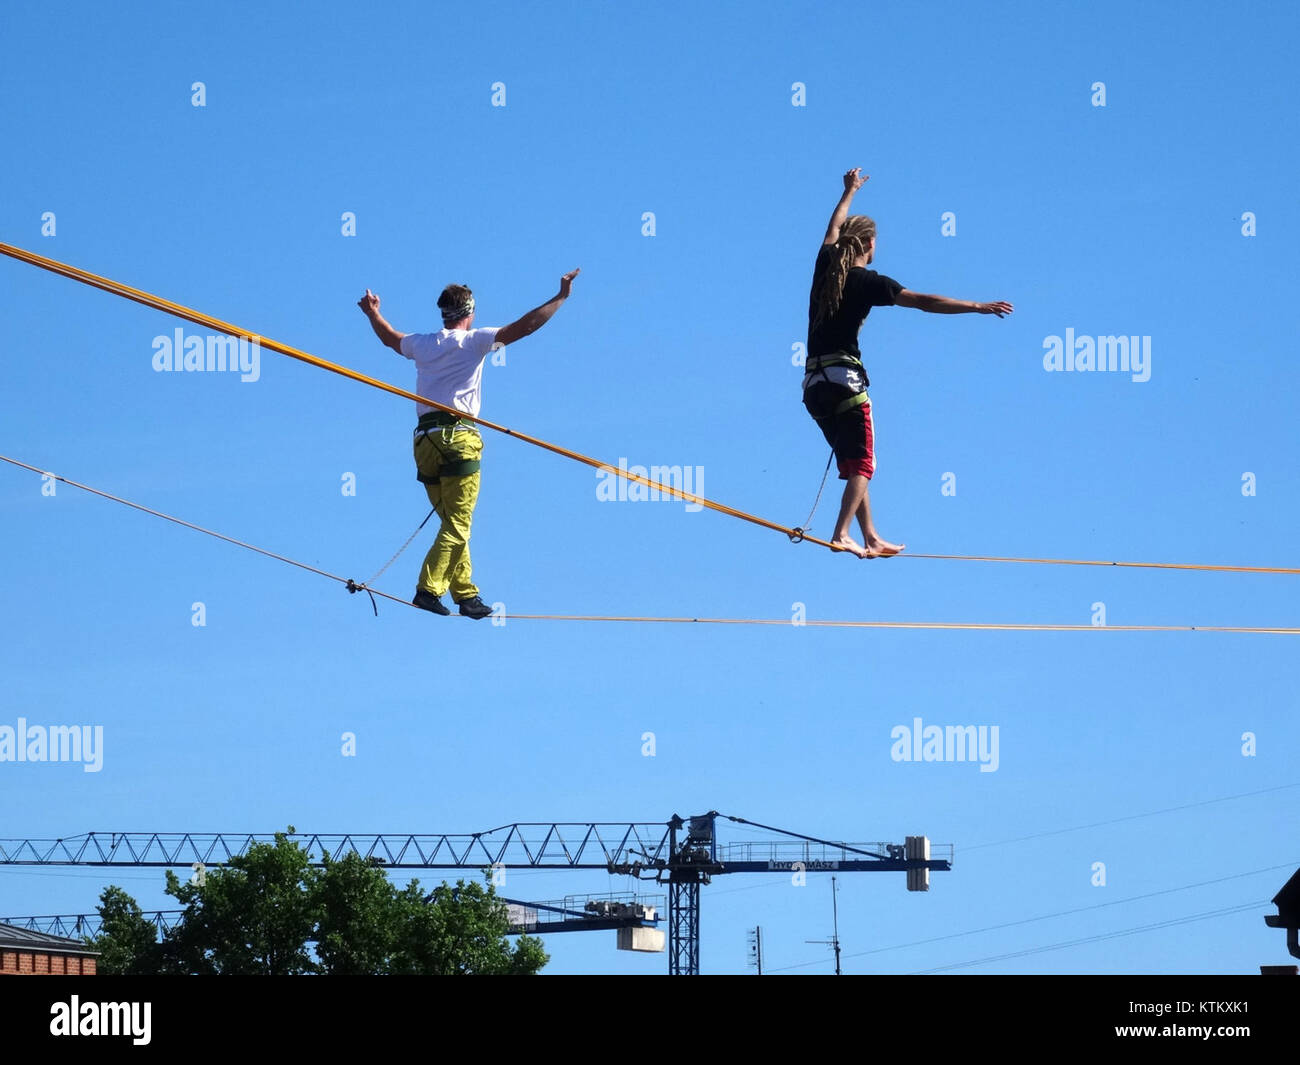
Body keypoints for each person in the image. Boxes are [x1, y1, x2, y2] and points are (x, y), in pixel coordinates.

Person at [805, 168, 1013, 558]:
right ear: (869, 244)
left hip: (813, 388)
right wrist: (976, 306)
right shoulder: (869, 282)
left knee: (853, 465)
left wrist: (848, 192)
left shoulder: (824, 266)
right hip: (845, 381)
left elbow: (833, 225)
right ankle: (842, 533)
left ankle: (868, 535)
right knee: (863, 464)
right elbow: (924, 302)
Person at [358, 269, 579, 617]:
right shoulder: (474, 340)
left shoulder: (423, 343)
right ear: (470, 313)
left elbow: (389, 338)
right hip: (458, 438)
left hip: (424, 442)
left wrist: (373, 313)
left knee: (452, 522)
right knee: (459, 523)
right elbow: (525, 327)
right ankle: (428, 589)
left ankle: (465, 593)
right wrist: (560, 297)